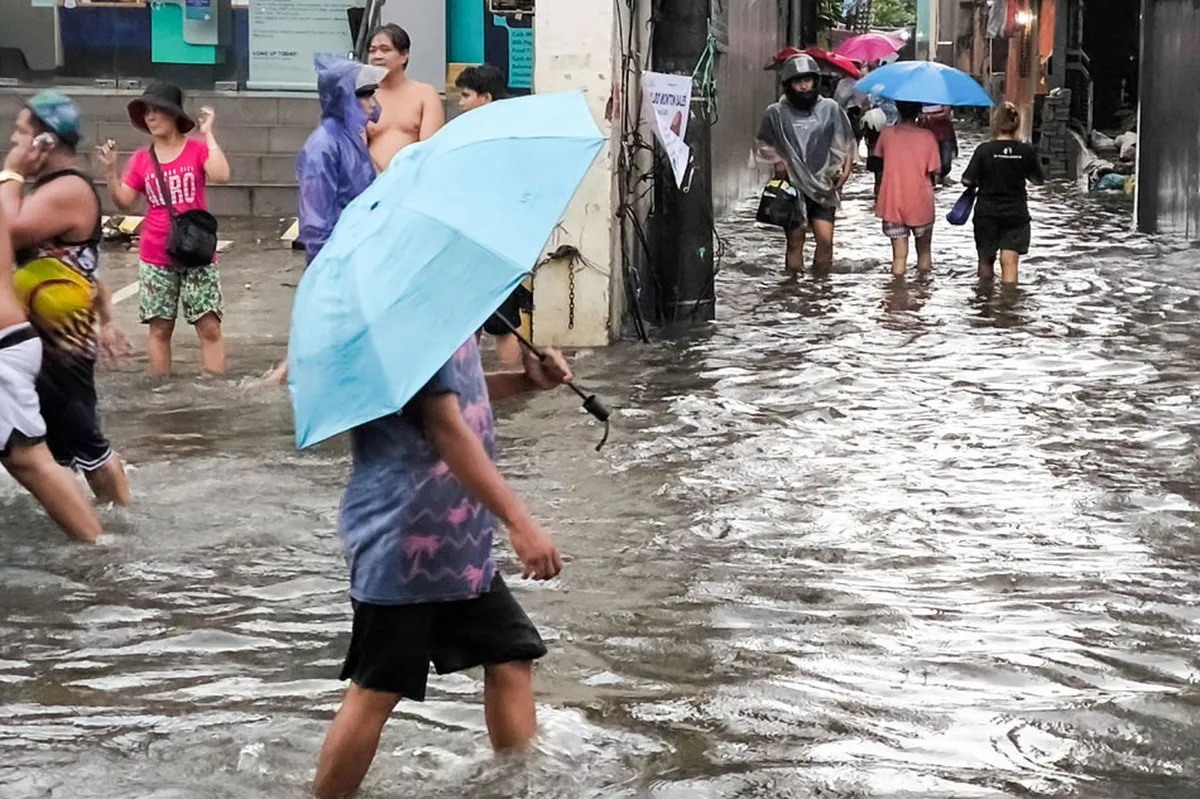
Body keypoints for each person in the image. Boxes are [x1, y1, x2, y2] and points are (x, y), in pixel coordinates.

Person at [312, 340, 573, 799]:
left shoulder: (446, 324)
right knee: (379, 686)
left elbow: (454, 395)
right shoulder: (414, 325)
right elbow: (443, 423)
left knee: (510, 654)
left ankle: (517, 787)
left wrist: (526, 382)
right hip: (404, 539)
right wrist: (520, 522)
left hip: (459, 543)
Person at [1, 91, 132, 505]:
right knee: (55, 448)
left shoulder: (69, 189)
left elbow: (9, 230)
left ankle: (122, 523)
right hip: (41, 340)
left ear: (47, 141)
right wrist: (108, 320)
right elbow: (87, 269)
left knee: (87, 443)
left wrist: (11, 172)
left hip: (62, 347)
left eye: (22, 132)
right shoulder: (51, 188)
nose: (14, 140)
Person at [96, 82, 231, 377]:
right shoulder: (141, 159)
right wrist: (109, 172)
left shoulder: (196, 149)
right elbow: (125, 202)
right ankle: (160, 388)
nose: (150, 116)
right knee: (159, 328)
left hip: (196, 252)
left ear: (173, 114)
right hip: (156, 253)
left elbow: (222, 174)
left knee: (209, 326)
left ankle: (215, 387)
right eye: (147, 111)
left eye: (157, 110)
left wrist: (208, 133)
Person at [265, 56, 385, 385]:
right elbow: (315, 217)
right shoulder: (323, 146)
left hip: (355, 253)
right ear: (344, 97)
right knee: (325, 335)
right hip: (335, 257)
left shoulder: (351, 138)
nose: (372, 103)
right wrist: (325, 268)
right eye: (364, 95)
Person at [0, 180, 102, 541]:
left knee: (30, 460)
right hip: (22, 341)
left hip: (16, 345)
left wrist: (14, 173)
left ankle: (102, 548)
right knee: (34, 460)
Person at [455, 63, 531, 365]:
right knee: (472, 318)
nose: (460, 103)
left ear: (485, 98)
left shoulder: (496, 139)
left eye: (465, 96)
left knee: (500, 321)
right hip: (481, 236)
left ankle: (509, 380)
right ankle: (468, 380)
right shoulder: (497, 134)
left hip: (493, 239)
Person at [756, 54, 856, 276]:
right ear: (788, 84)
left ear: (815, 81)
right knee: (795, 241)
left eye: (807, 80)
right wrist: (778, 161)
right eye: (798, 81)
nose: (803, 86)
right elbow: (763, 143)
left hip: (824, 185)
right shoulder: (775, 113)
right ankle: (793, 286)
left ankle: (820, 286)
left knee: (825, 241)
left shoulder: (830, 108)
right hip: (792, 186)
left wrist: (846, 169)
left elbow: (846, 140)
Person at [961, 102, 1045, 286]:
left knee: (986, 260)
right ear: (1017, 124)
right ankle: (1009, 301)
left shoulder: (984, 150)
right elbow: (1038, 180)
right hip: (1016, 214)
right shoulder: (1026, 151)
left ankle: (985, 297)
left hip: (987, 213)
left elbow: (966, 180)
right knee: (1010, 262)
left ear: (996, 123)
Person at [873, 101, 942, 277]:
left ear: (898, 109)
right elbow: (936, 169)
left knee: (899, 257)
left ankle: (897, 290)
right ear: (919, 111)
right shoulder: (928, 136)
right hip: (921, 204)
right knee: (924, 252)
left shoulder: (887, 134)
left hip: (892, 202)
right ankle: (922, 289)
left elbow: (878, 157)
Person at [366, 24, 446, 172]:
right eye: (372, 50)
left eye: (385, 49)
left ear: (404, 55)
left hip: (412, 177)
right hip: (371, 180)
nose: (377, 56)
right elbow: (356, 150)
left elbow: (429, 150)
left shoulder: (425, 94)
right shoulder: (363, 98)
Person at [920, 104, 958, 186]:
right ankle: (932, 182)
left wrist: (931, 116)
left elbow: (946, 114)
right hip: (927, 132)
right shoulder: (922, 100)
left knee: (946, 164)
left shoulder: (944, 99)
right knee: (928, 162)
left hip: (944, 134)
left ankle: (941, 177)